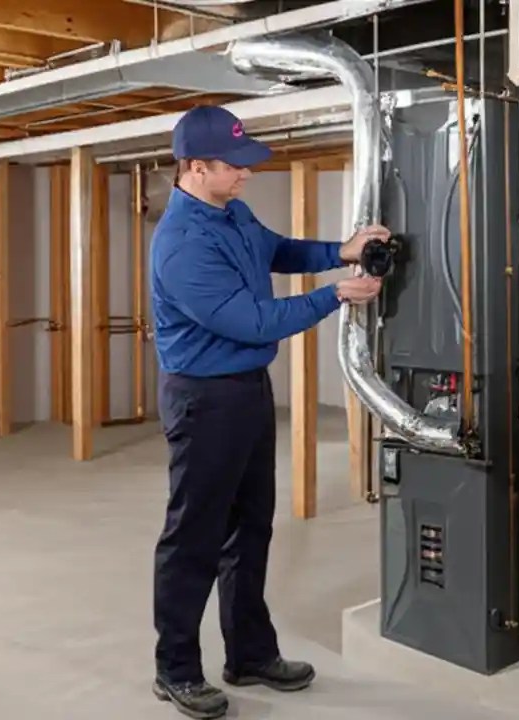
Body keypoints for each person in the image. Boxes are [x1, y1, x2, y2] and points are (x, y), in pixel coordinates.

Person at [148, 105, 387, 719]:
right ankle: (176, 668)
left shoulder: (231, 212)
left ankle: (250, 653)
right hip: (204, 399)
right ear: (195, 168)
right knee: (195, 536)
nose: (246, 173)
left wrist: (340, 250)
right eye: (234, 165)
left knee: (252, 526)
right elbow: (252, 321)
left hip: (247, 389)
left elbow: (275, 250)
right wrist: (335, 294)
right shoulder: (181, 245)